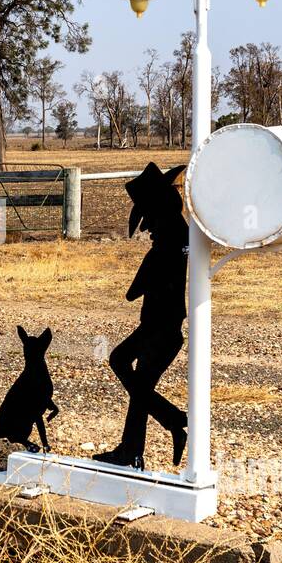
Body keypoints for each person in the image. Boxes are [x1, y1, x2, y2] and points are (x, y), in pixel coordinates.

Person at [93, 162, 189, 470]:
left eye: (148, 222)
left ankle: (174, 419)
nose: (146, 229)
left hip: (157, 329)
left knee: (120, 360)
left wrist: (148, 268)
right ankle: (131, 452)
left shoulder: (163, 248)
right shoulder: (185, 235)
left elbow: (132, 293)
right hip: (168, 327)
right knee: (140, 389)